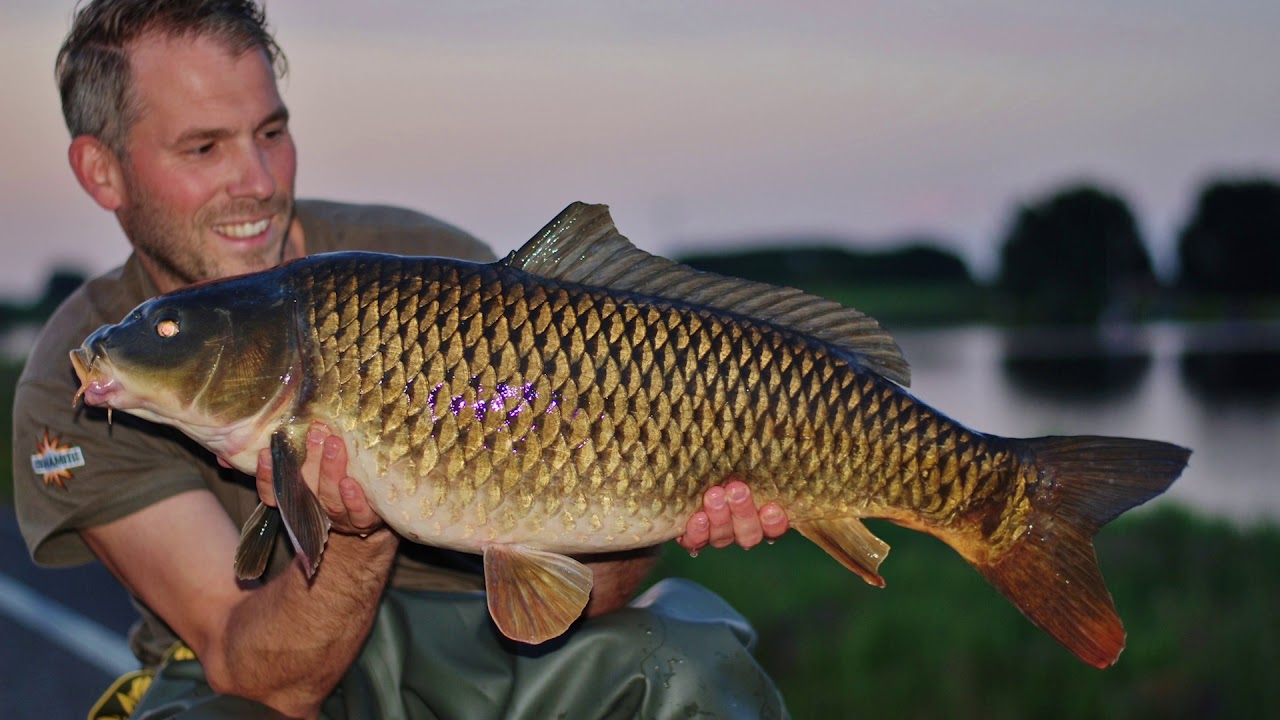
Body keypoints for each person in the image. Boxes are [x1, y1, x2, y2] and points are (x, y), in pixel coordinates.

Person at [13, 1, 792, 718]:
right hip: (269, 657)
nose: (257, 181)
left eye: (271, 133)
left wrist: (660, 504)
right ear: (102, 171)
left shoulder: (425, 266)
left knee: (692, 670)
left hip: (486, 642)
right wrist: (357, 534)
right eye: (204, 147)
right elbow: (259, 676)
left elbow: (577, 600)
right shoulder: (80, 377)